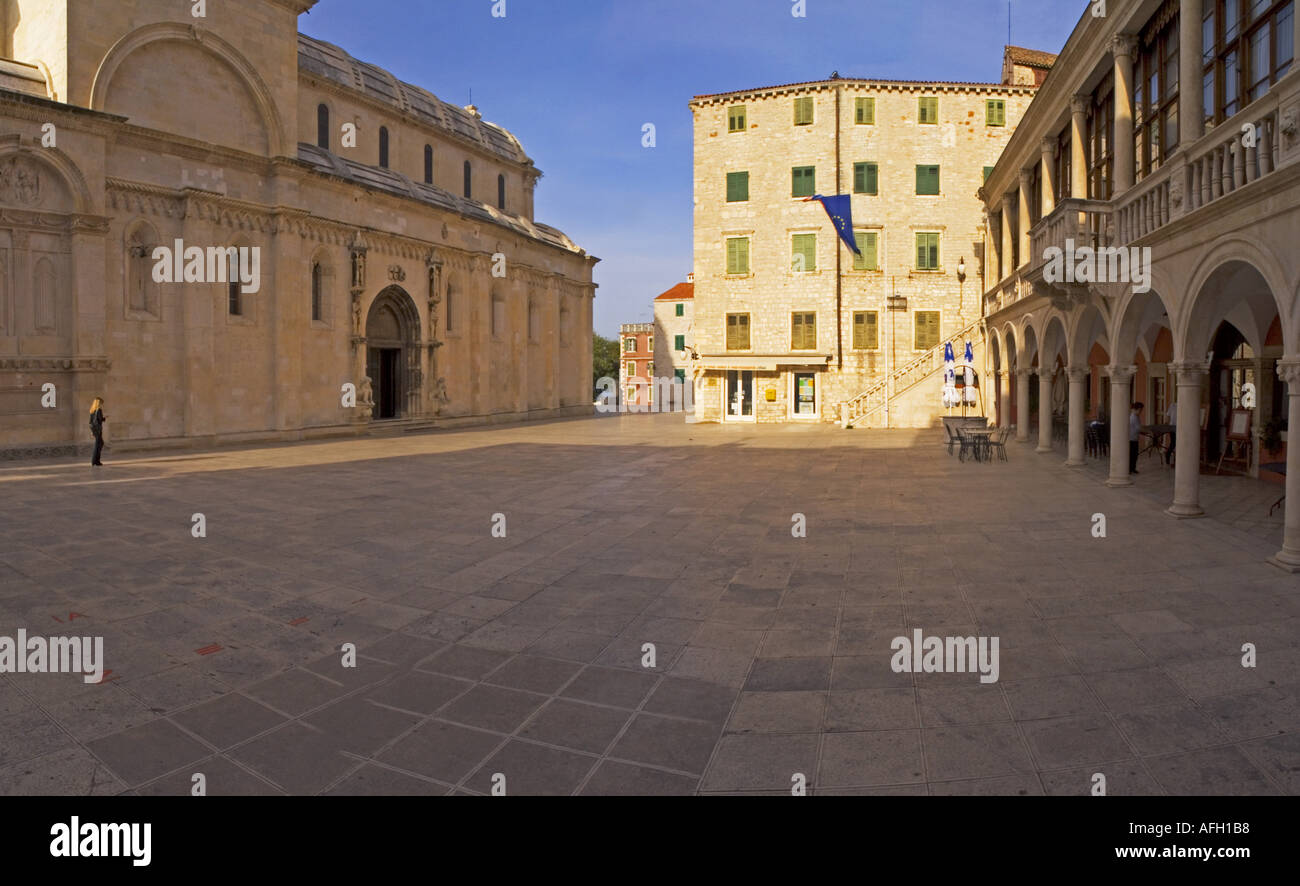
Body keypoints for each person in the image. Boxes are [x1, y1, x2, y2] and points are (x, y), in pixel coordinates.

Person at [89, 397, 106, 466]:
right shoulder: (99, 410)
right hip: (98, 429)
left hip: (94, 429)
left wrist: (92, 431)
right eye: (101, 403)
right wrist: (104, 418)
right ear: (99, 403)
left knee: (99, 443)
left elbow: (90, 422)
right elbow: (100, 420)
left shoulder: (92, 410)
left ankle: (95, 461)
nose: (102, 405)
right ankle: (95, 461)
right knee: (98, 444)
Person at [1129, 401, 1144, 475]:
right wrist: (1147, 431)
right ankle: (1130, 469)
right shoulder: (1133, 417)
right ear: (1136, 409)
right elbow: (1139, 428)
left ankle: (1133, 468)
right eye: (1140, 410)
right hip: (1131, 439)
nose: (1140, 412)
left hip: (1135, 438)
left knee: (1135, 455)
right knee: (1132, 455)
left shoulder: (1136, 416)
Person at [1164, 397, 1178, 466]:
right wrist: (1166, 424)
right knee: (1173, 443)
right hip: (1172, 427)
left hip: (1181, 427)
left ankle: (1176, 460)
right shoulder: (1172, 405)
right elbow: (1168, 415)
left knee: (1178, 444)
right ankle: (1168, 455)